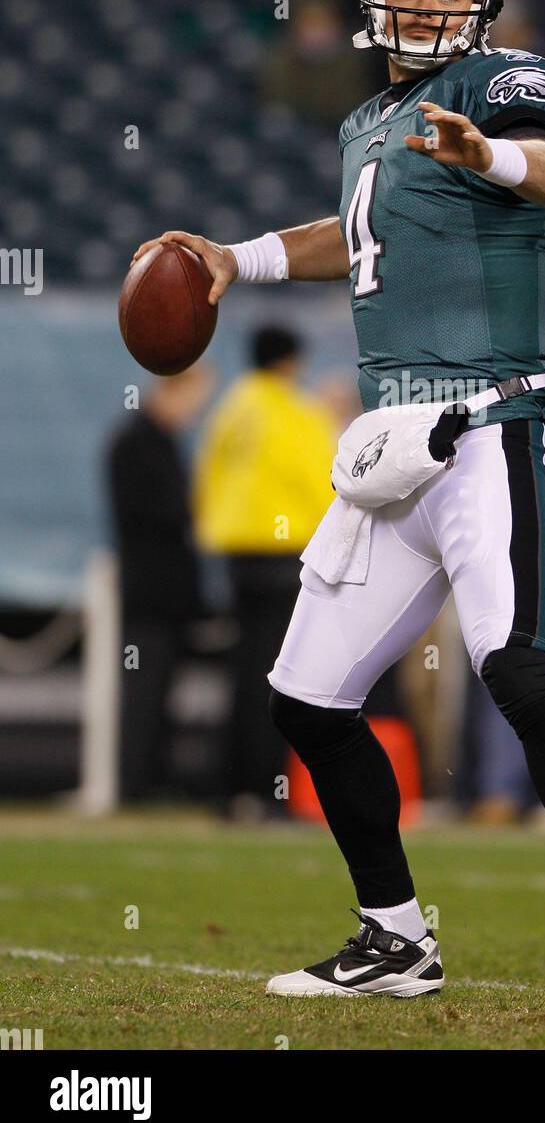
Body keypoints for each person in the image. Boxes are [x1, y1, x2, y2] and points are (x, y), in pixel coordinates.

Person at [133, 0, 545, 1011]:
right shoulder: (365, 123)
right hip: (390, 446)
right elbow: (360, 233)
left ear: (480, 7)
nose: (424, 7)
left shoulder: (498, 85)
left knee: (512, 663)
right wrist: (237, 257)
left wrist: (498, 160)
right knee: (307, 697)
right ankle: (393, 935)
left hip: (491, 425)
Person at [194, 325, 337, 815]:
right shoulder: (297, 411)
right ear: (290, 360)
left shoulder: (230, 409)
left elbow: (207, 476)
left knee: (241, 672)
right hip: (286, 557)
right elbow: (325, 481)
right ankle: (269, 789)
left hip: (237, 555)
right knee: (284, 676)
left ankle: (228, 789)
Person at [106, 365, 213, 801]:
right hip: (150, 595)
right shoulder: (136, 443)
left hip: (166, 595)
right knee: (144, 691)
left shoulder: (157, 440)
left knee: (159, 689)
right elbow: (166, 515)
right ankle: (136, 782)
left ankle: (152, 778)